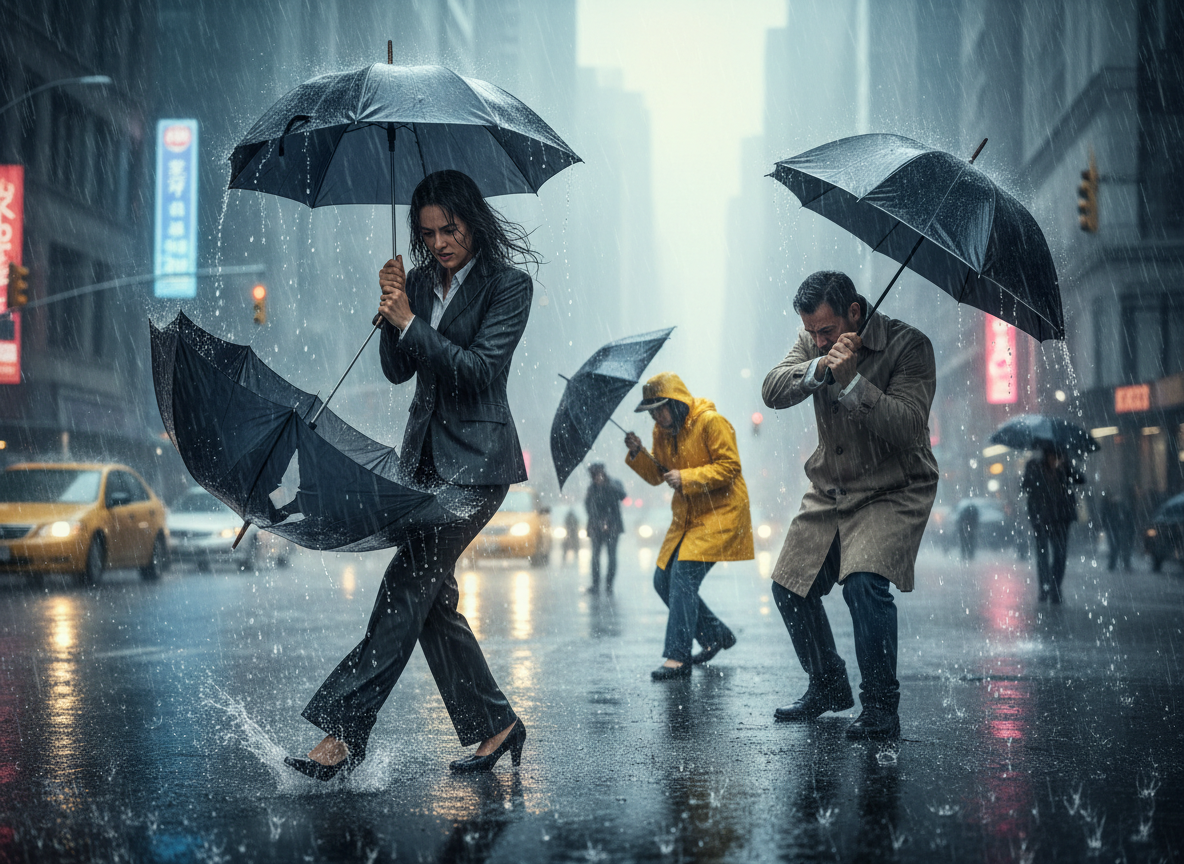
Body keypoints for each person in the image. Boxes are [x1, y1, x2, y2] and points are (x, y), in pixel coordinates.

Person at [284, 170, 538, 780]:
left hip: (478, 467)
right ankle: (496, 724)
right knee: (429, 604)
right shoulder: (419, 283)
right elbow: (400, 370)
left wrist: (409, 322)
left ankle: (344, 733)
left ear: (473, 222)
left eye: (449, 229)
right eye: (428, 233)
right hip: (422, 466)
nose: (440, 243)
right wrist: (392, 306)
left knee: (406, 586)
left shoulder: (510, 286)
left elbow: (477, 372)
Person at [761, 270, 938, 741]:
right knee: (789, 587)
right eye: (812, 332)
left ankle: (881, 707)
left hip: (892, 487)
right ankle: (827, 684)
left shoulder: (910, 346)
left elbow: (909, 428)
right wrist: (820, 369)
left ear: (854, 313)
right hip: (832, 487)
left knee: (864, 585)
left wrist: (853, 381)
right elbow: (773, 389)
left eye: (826, 331)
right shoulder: (813, 344)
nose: (818, 340)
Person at [623, 372, 753, 680]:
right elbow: (657, 476)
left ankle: (677, 656)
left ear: (677, 403)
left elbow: (730, 467)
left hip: (721, 513)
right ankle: (714, 634)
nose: (656, 416)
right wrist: (637, 453)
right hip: (687, 518)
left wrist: (687, 477)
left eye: (661, 408)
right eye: (651, 411)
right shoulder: (661, 432)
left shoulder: (711, 422)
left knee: (682, 578)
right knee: (662, 580)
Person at [1021, 442, 1085, 602]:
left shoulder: (1065, 467)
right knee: (1043, 554)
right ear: (1046, 455)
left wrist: (1067, 466)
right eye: (1052, 456)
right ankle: (1045, 588)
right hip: (1041, 518)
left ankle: (1055, 587)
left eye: (1058, 456)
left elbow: (1081, 479)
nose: (1055, 459)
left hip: (1062, 518)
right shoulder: (1034, 467)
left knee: (1060, 554)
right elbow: (1025, 486)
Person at [584, 463, 626, 594]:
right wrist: (599, 522)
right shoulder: (592, 489)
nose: (597, 477)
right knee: (595, 557)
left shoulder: (614, 484)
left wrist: (607, 485)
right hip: (596, 528)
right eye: (594, 475)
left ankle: (609, 585)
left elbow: (623, 495)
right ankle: (595, 585)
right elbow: (589, 508)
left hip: (613, 527)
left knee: (611, 556)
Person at [1100, 492, 1135, 572]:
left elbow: (1128, 517)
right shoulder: (1111, 506)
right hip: (1115, 528)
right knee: (1116, 546)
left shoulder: (1119, 507)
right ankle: (1114, 564)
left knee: (1120, 546)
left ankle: (1120, 564)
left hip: (1119, 528)